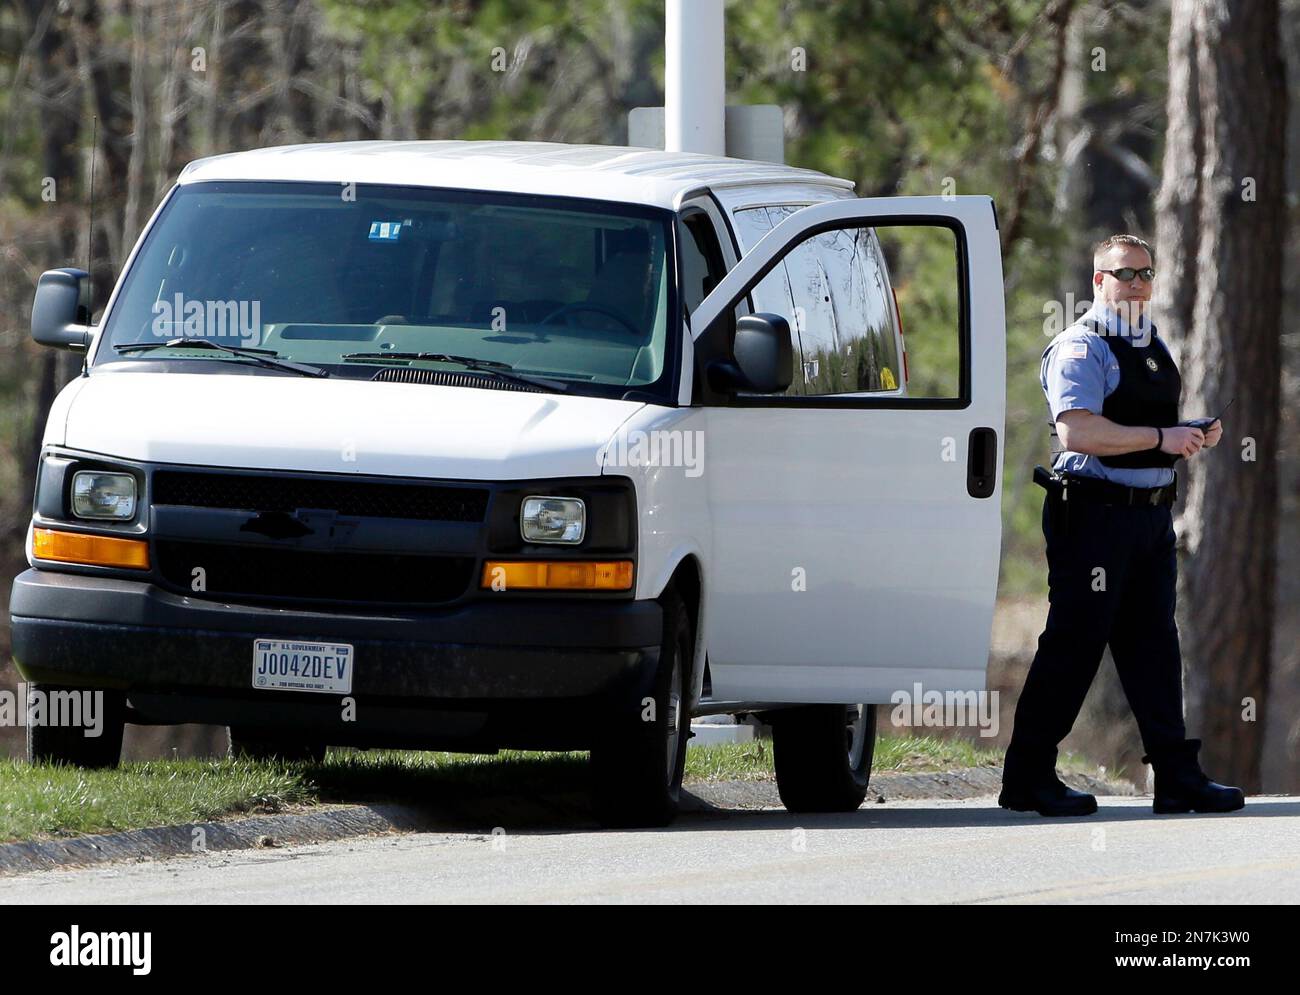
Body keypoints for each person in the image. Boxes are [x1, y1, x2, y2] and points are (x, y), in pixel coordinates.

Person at [999, 233, 1245, 817]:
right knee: (1074, 646)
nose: (1135, 284)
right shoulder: (1081, 347)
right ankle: (1028, 776)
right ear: (1097, 283)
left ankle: (1177, 776)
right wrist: (1164, 439)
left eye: (1143, 274)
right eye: (1122, 274)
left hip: (1148, 521)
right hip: (1093, 517)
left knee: (1155, 648)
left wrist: (1187, 435)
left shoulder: (1151, 345)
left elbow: (1137, 426)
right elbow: (1078, 432)